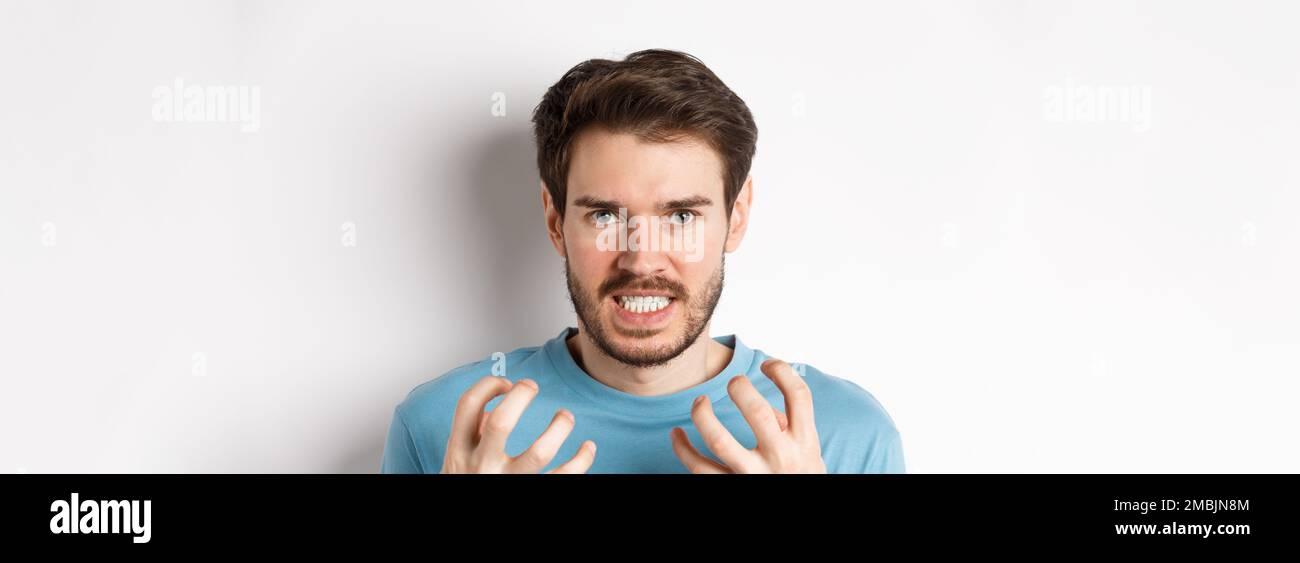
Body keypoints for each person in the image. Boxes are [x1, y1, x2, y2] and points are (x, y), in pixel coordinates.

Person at [381, 49, 904, 474]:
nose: (642, 258)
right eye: (605, 215)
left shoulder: (845, 433)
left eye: (680, 216)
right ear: (556, 220)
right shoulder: (445, 426)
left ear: (736, 217)